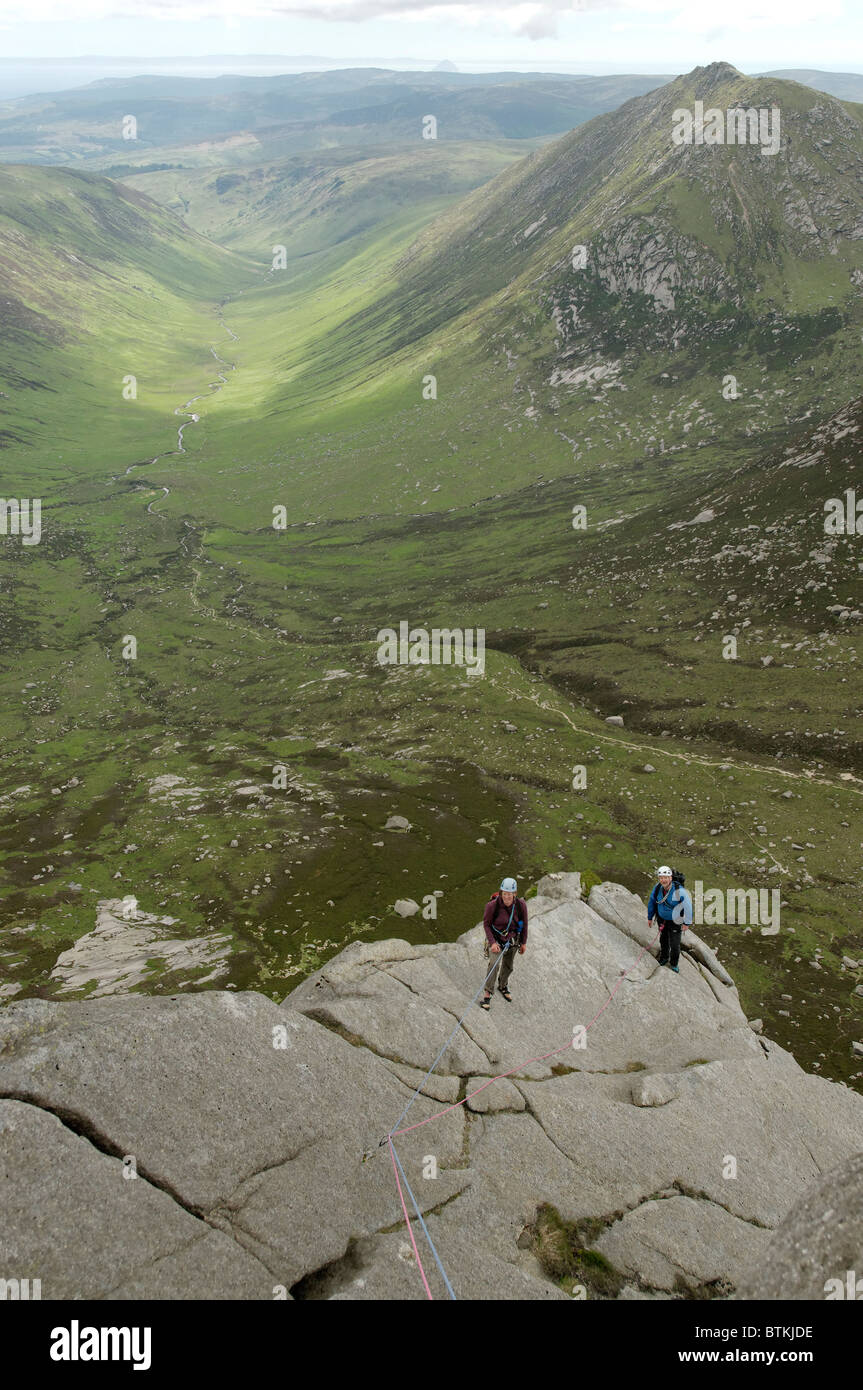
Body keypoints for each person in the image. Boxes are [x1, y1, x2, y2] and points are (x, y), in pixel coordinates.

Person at [480, 877, 528, 1009]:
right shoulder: (492, 906)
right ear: (501, 893)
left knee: (508, 965)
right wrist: (492, 943)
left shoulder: (520, 905)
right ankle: (488, 992)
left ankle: (503, 985)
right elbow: (487, 925)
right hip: (496, 940)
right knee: (494, 964)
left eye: (510, 894)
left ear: (515, 894)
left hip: (513, 940)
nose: (507, 897)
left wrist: (523, 943)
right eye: (505, 894)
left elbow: (524, 925)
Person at [647, 866, 693, 973]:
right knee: (663, 940)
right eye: (661, 877)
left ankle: (674, 963)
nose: (663, 880)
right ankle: (664, 958)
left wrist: (687, 922)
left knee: (675, 944)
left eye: (666, 877)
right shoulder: (658, 888)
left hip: (676, 921)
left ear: (670, 878)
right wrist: (650, 917)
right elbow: (652, 902)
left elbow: (688, 906)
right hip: (662, 919)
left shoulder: (679, 890)